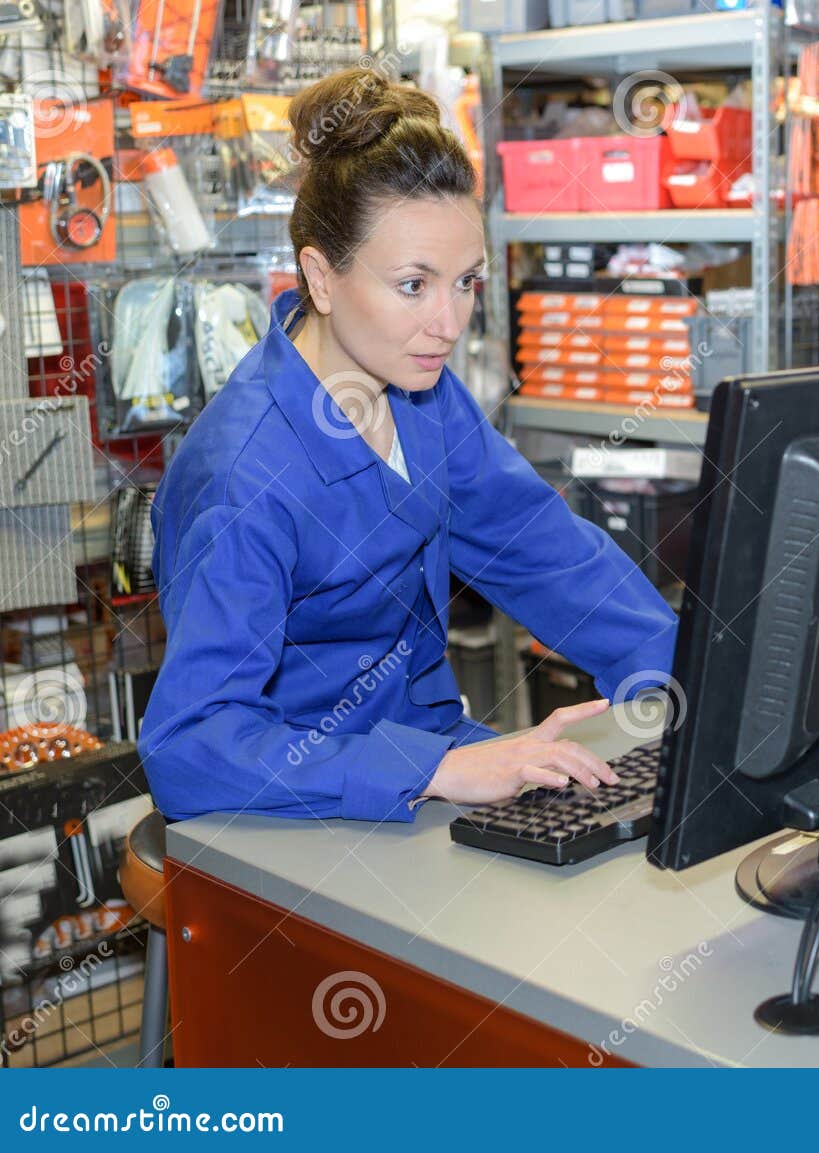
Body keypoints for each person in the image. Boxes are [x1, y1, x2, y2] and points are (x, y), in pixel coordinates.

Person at [138, 69, 677, 823]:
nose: (449, 324)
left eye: (465, 283)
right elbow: (192, 750)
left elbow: (543, 552)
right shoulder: (245, 478)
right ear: (322, 277)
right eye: (414, 285)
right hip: (296, 812)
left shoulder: (421, 396)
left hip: (432, 766)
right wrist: (439, 767)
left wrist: (685, 684)